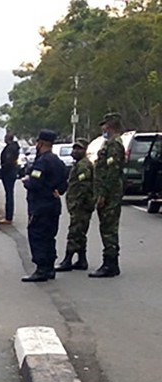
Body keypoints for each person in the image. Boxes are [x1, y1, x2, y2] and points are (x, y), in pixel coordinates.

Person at [21, 130, 69, 282]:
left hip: (40, 205)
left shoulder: (42, 162)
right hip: (53, 205)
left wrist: (26, 181)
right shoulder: (58, 162)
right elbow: (64, 182)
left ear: (40, 143)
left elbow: (35, 182)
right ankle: (49, 267)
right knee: (50, 236)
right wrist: (59, 191)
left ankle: (41, 268)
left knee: (38, 236)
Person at [90, 112, 126, 278]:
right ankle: (109, 262)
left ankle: (110, 264)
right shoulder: (109, 143)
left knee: (109, 228)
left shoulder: (114, 145)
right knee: (106, 226)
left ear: (110, 125)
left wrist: (103, 194)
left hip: (110, 193)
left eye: (104, 125)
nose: (103, 128)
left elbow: (112, 172)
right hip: (108, 191)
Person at [57, 139, 96, 272]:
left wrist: (79, 203)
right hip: (78, 204)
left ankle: (67, 260)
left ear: (84, 151)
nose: (75, 151)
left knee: (74, 232)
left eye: (78, 149)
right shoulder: (78, 164)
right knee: (80, 232)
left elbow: (84, 186)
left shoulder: (83, 166)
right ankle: (81, 259)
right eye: (74, 148)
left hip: (81, 205)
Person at [0, 132, 21, 224]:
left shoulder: (10, 148)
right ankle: (8, 215)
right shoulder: (15, 147)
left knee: (9, 194)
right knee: (9, 194)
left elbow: (8, 161)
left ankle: (8, 217)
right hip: (12, 172)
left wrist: (2, 170)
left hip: (8, 173)